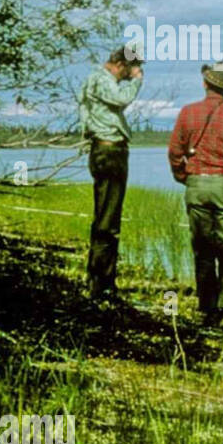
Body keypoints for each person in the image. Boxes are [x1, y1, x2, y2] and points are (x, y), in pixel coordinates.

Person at [167, 62, 223, 326]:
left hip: (197, 185)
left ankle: (207, 310)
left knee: (203, 250)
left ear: (205, 84)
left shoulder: (187, 113)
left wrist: (184, 177)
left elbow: (175, 152)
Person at [79, 44, 144, 303]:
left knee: (105, 218)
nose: (134, 74)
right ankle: (101, 286)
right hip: (109, 152)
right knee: (108, 222)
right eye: (132, 69)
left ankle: (99, 280)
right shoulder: (101, 80)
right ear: (121, 64)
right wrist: (136, 82)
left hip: (104, 151)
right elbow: (121, 99)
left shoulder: (95, 81)